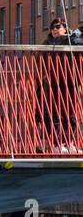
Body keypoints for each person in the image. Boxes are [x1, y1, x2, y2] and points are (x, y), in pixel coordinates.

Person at [40, 17, 81, 154]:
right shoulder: (46, 44)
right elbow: (41, 65)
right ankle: (57, 144)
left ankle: (69, 143)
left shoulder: (73, 40)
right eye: (52, 27)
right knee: (57, 115)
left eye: (58, 26)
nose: (55, 29)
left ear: (65, 27)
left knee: (72, 115)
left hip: (71, 82)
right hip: (54, 84)